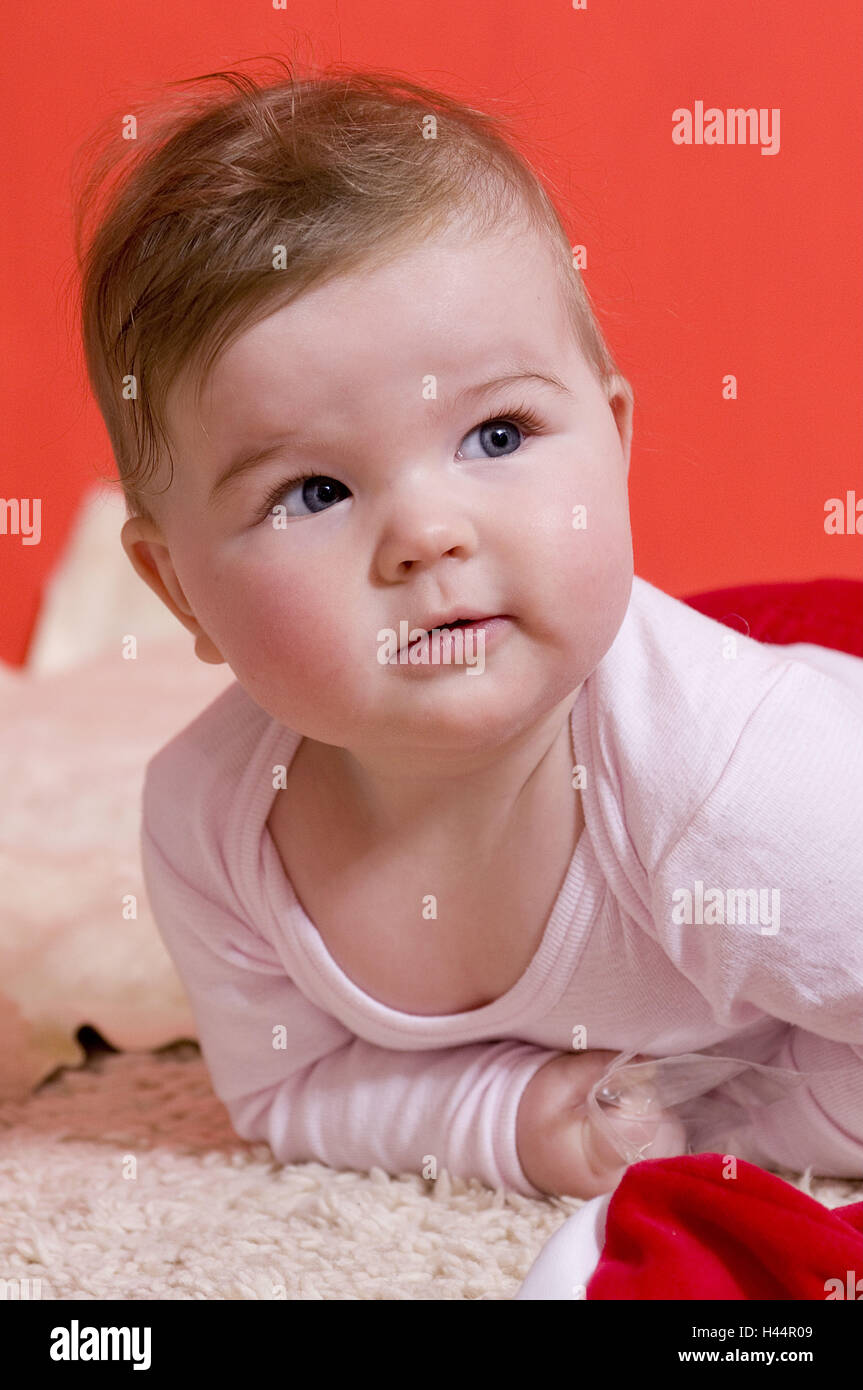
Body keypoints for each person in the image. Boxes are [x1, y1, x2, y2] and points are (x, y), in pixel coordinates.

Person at [74, 64, 863, 1199]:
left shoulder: (740, 796)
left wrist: (724, 1122)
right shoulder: (210, 827)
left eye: (496, 434)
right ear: (177, 590)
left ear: (614, 439)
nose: (427, 534)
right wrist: (508, 1120)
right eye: (312, 492)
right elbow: (287, 1089)